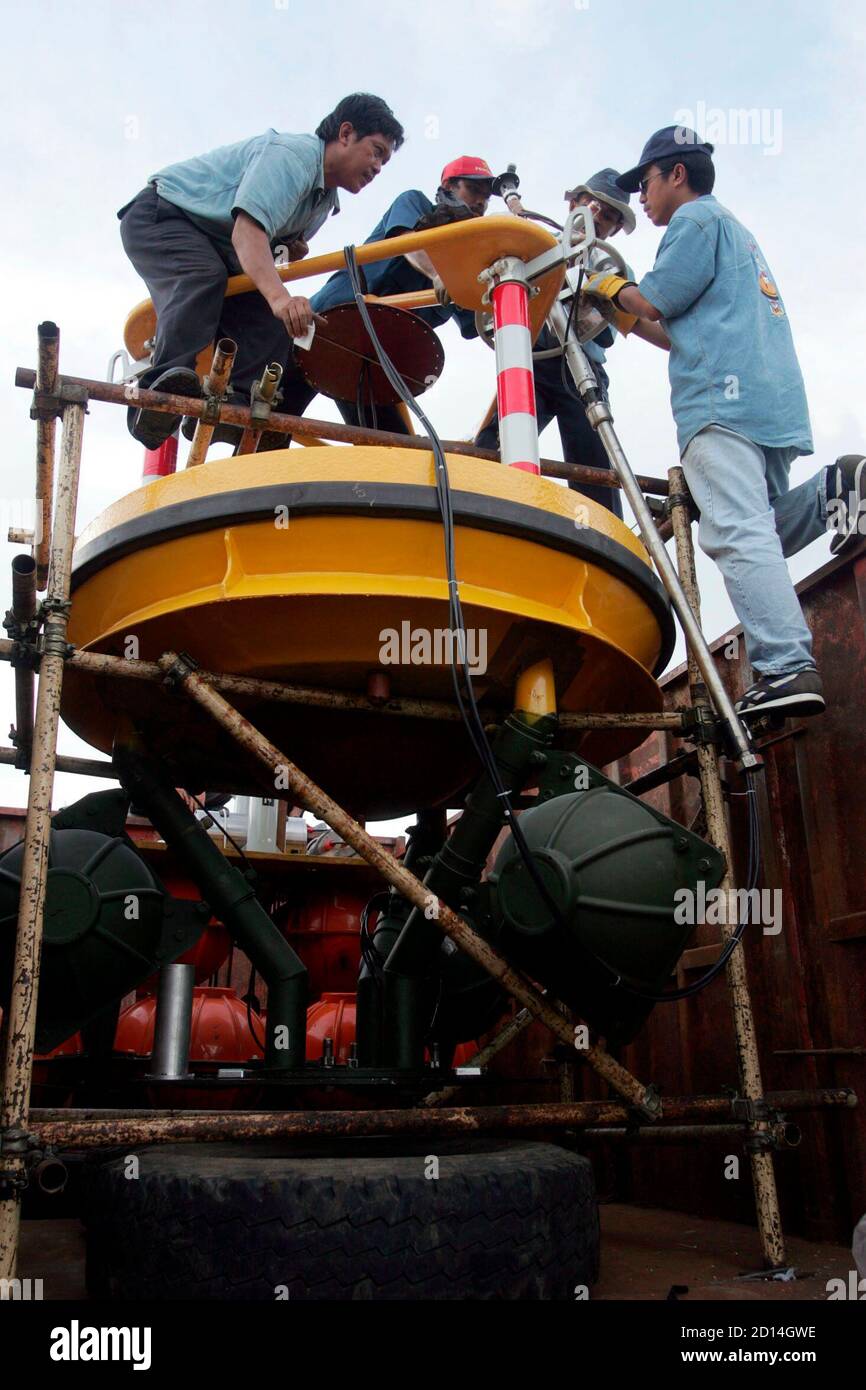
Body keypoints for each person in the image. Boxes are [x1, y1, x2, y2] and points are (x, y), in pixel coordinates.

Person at [583, 126, 864, 717]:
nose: (641, 198)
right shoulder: (733, 232)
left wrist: (606, 284)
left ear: (675, 175)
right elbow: (673, 328)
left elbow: (654, 299)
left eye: (646, 183)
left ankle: (785, 666)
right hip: (765, 403)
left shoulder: (693, 222)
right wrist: (625, 311)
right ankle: (835, 491)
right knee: (758, 531)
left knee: (736, 533)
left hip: (719, 406)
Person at [117, 92, 404, 449]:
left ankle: (235, 405)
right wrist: (281, 296)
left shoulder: (323, 203)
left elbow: (266, 253)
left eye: (385, 161)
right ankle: (156, 397)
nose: (378, 166)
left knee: (270, 320)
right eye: (376, 151)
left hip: (218, 248)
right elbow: (247, 232)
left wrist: (286, 255)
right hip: (163, 215)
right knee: (204, 278)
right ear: (345, 133)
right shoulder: (294, 157)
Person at [276, 156, 495, 435]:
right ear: (448, 186)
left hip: (370, 359)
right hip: (326, 323)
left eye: (486, 198)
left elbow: (477, 319)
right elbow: (408, 243)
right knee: (271, 418)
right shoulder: (416, 203)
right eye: (474, 190)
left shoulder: (464, 264)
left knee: (393, 448)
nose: (480, 202)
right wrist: (442, 275)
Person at [476, 169, 637, 519]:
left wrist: (592, 286)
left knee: (592, 463)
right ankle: (480, 511)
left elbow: (610, 325)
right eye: (595, 207)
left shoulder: (613, 270)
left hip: (583, 370)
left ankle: (601, 535)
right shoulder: (536, 245)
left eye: (610, 218)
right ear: (574, 203)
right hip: (534, 358)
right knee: (494, 444)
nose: (601, 220)